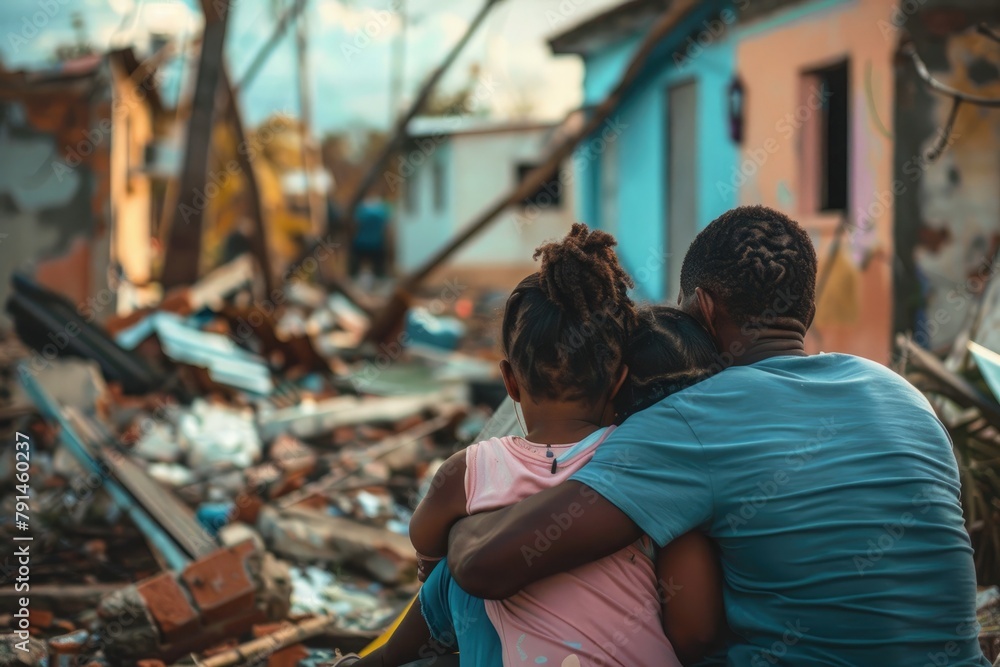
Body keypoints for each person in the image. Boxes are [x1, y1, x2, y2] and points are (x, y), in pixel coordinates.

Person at [446, 205, 989, 666]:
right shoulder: (903, 397)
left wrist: (457, 526)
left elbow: (485, 568)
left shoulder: (691, 420)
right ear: (806, 312)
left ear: (702, 306)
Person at [343, 226, 725, 667]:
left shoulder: (467, 473)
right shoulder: (641, 467)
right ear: (619, 382)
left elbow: (426, 545)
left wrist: (444, 569)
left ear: (510, 382)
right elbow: (696, 630)